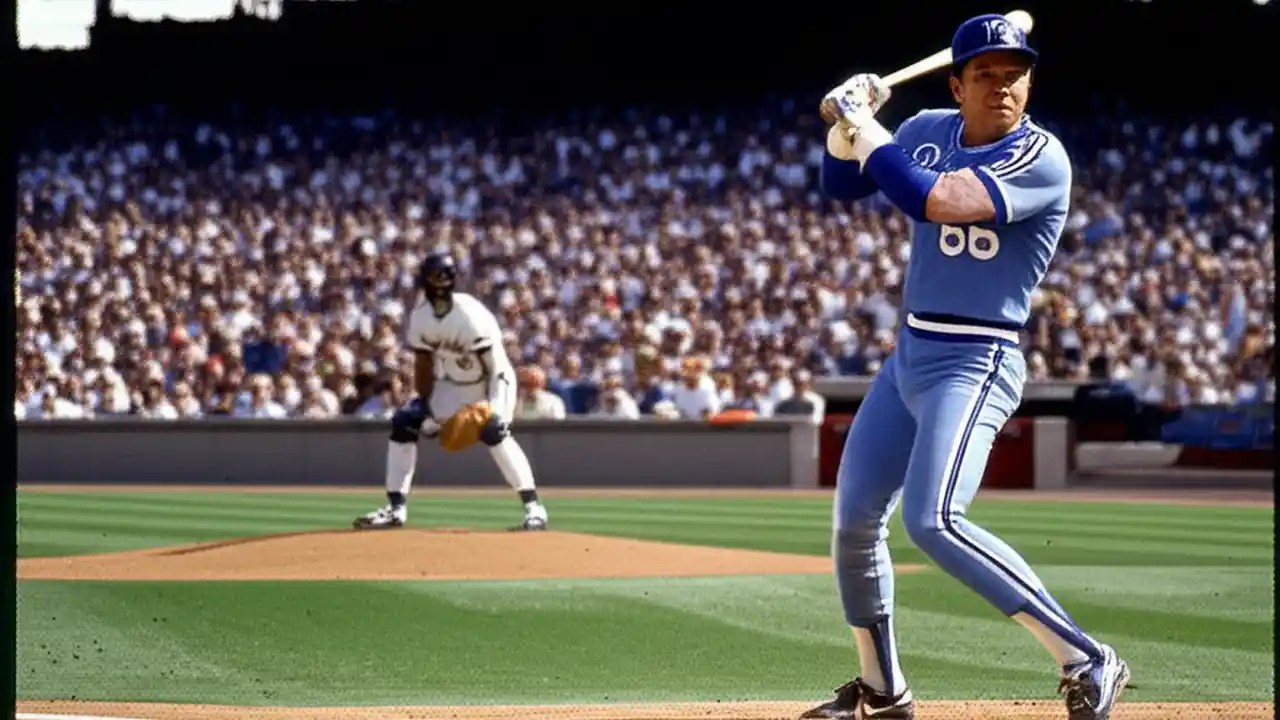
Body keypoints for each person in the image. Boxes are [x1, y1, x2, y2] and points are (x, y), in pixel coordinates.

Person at [802, 14, 1129, 720]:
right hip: (910, 354)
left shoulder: (1042, 158)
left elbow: (938, 199)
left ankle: (1087, 656)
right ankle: (884, 691)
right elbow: (840, 184)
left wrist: (864, 126)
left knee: (935, 519)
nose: (1004, 85)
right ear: (957, 85)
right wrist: (842, 126)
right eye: (986, 73)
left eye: (1015, 73)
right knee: (854, 523)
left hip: (975, 358)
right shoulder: (925, 129)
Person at [353, 253, 550, 531]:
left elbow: (493, 367)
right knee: (405, 420)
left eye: (443, 277)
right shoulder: (421, 317)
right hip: (453, 384)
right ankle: (395, 509)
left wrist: (490, 409)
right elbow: (423, 366)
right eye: (434, 278)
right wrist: (425, 407)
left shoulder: (470, 315)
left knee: (494, 430)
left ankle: (534, 508)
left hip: (493, 380)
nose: (439, 284)